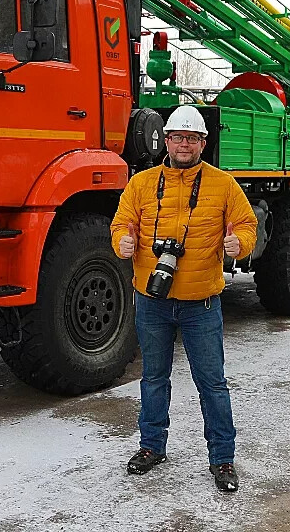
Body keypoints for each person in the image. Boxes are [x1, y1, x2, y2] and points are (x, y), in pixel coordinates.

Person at [111, 105, 257, 493]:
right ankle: (151, 447)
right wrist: (121, 241)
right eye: (178, 137)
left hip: (201, 303)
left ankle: (222, 459)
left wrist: (237, 243)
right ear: (167, 140)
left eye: (192, 138)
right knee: (154, 378)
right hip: (151, 301)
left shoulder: (223, 185)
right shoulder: (141, 183)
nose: (184, 145)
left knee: (212, 383)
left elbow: (247, 225)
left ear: (203, 144)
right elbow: (121, 222)